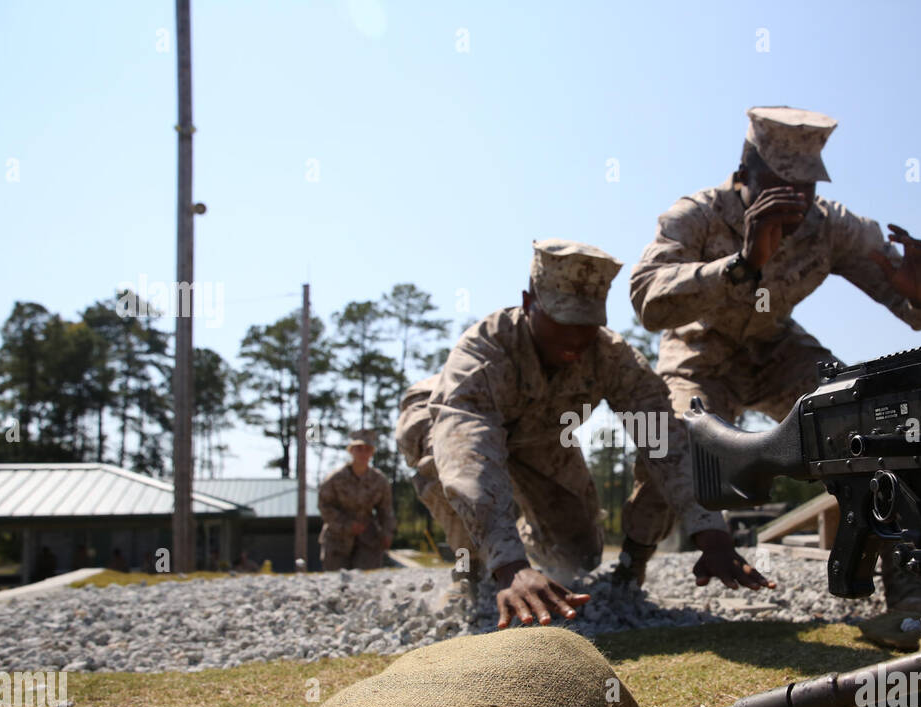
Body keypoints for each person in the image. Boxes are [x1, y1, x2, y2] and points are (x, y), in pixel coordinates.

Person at [628, 105, 921, 612]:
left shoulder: (832, 226)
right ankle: (630, 566)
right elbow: (647, 299)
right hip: (700, 346)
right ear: (745, 173)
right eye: (781, 185)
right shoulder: (696, 214)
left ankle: (910, 588)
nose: (796, 200)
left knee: (863, 416)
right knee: (675, 435)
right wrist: (741, 266)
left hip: (776, 346)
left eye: (806, 188)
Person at [396, 238, 772, 629]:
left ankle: (522, 553)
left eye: (586, 328)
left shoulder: (613, 357)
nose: (574, 342)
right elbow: (469, 454)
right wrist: (509, 563)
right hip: (445, 422)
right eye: (561, 324)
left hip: (538, 438)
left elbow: (663, 441)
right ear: (529, 304)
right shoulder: (485, 350)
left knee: (580, 554)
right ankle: (471, 572)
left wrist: (709, 528)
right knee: (448, 467)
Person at [317, 429, 396, 571]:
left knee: (366, 584)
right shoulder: (335, 479)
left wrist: (387, 533)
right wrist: (347, 525)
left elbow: (386, 510)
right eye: (359, 449)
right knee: (336, 584)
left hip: (368, 542)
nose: (363, 453)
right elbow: (324, 506)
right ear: (351, 451)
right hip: (337, 540)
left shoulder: (380, 481)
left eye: (367, 449)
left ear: (372, 453)